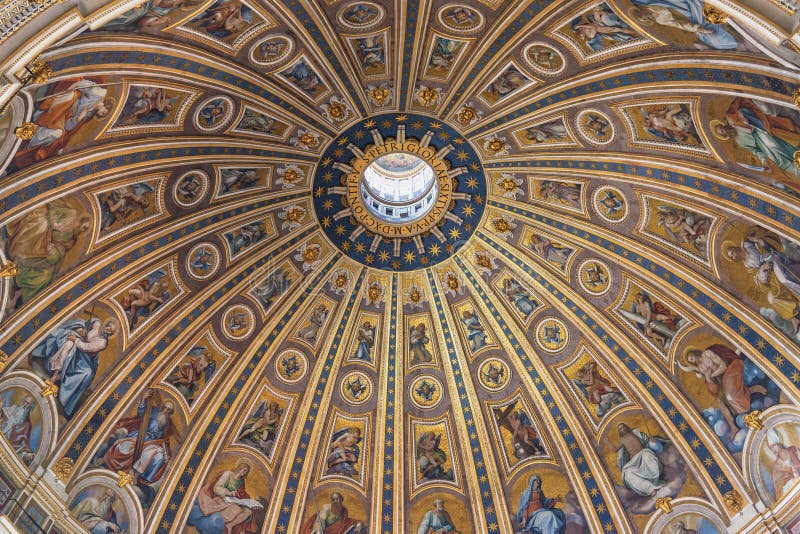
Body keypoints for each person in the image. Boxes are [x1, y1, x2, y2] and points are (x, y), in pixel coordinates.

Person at [5, 197, 91, 308]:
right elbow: (52, 210)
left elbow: (61, 251)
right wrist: (54, 223)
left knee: (46, 276)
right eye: (81, 223)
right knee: (42, 223)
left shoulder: (71, 240)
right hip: (44, 229)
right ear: (80, 219)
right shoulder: (70, 213)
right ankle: (17, 252)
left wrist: (53, 251)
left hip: (45, 248)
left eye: (83, 228)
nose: (79, 226)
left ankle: (20, 295)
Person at [30, 316, 117, 418]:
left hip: (85, 359)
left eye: (110, 330)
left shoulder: (102, 343)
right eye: (108, 326)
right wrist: (81, 329)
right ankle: (54, 371)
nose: (107, 329)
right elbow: (87, 322)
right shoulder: (97, 324)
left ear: (110, 334)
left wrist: (76, 340)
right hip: (77, 344)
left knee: (86, 373)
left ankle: (61, 384)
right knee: (67, 344)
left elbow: (86, 347)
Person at [12, 79, 109, 169]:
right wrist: (69, 90)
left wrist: (78, 118)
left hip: (64, 115)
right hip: (68, 99)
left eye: (101, 115)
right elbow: (80, 84)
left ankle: (28, 141)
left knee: (57, 133)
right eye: (105, 112)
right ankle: (39, 120)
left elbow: (68, 127)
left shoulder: (89, 114)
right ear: (106, 106)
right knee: (70, 96)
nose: (102, 113)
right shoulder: (99, 93)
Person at [101, 391, 173, 486]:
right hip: (140, 435)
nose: (166, 411)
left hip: (153, 442)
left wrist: (165, 450)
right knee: (123, 447)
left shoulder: (167, 424)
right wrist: (143, 400)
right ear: (162, 407)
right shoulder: (153, 411)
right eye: (165, 408)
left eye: (169, 410)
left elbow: (165, 439)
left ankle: (137, 476)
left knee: (157, 456)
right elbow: (140, 414)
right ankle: (108, 460)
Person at [190, 461, 261, 534]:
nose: (245, 473)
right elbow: (216, 488)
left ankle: (230, 525)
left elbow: (243, 495)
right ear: (240, 468)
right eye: (245, 470)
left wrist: (252, 502)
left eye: (247, 472)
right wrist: (228, 493)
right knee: (237, 509)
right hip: (221, 498)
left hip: (233, 501)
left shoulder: (241, 481)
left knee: (248, 511)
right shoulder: (228, 474)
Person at [615, 423, 666, 497]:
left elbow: (648, 443)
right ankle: (650, 489)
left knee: (647, 456)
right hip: (633, 462)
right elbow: (615, 450)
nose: (622, 429)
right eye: (620, 429)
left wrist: (652, 443)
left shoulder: (637, 434)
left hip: (643, 453)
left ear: (626, 427)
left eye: (623, 427)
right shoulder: (622, 440)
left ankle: (654, 480)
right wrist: (607, 442)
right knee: (628, 472)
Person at [300, 492, 366, 534]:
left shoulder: (343, 510)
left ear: (341, 499)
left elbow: (346, 522)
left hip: (338, 531)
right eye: (333, 500)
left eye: (337, 499)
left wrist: (358, 525)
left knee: (361, 530)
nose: (335, 501)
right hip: (324, 531)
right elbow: (319, 522)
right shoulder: (326, 508)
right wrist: (319, 532)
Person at [0, 395, 36, 464]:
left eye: (28, 403)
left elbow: (24, 438)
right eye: (25, 402)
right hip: (6, 428)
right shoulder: (15, 408)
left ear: (30, 406)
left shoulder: (27, 424)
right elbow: (5, 411)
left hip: (14, 438)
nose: (25, 404)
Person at [766, 429, 800, 500]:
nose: (773, 450)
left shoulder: (793, 450)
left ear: (779, 444)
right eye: (771, 448)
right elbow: (778, 487)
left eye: (774, 446)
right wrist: (792, 480)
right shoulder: (776, 466)